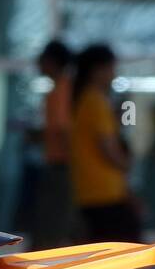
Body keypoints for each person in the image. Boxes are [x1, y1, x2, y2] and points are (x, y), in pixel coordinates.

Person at [69, 44, 141, 242]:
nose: (113, 74)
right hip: (105, 193)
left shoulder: (84, 100)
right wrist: (127, 164)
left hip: (91, 190)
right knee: (126, 253)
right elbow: (108, 148)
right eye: (111, 68)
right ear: (97, 70)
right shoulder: (96, 102)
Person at [32, 40, 75, 248]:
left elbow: (63, 129)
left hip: (62, 165)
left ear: (52, 62)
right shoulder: (62, 89)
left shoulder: (62, 91)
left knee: (54, 220)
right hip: (61, 163)